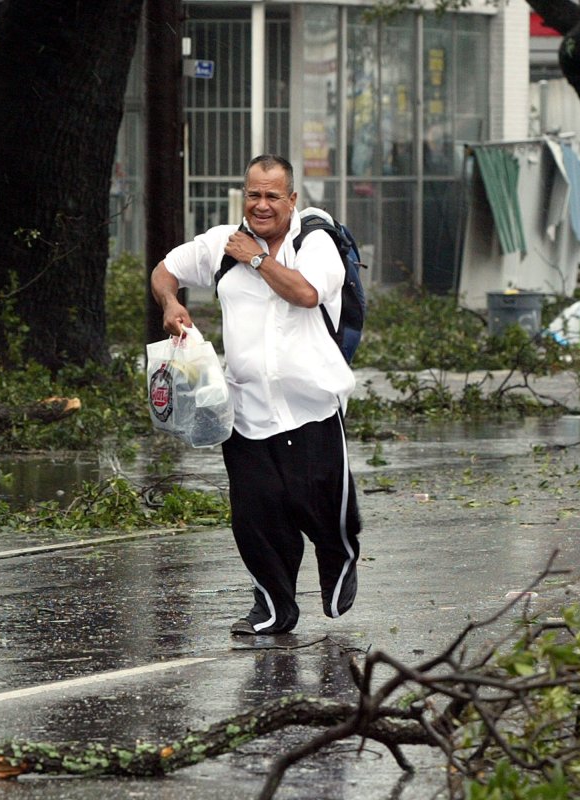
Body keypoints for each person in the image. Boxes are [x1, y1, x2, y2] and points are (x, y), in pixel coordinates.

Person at [150, 154, 361, 635]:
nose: (261, 205)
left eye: (271, 196)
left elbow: (307, 294)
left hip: (311, 405)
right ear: (242, 195)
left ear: (292, 199)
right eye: (253, 195)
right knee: (256, 514)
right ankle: (273, 607)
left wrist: (257, 258)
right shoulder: (221, 245)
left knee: (323, 506)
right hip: (244, 408)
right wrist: (171, 302)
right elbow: (166, 269)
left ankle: (340, 558)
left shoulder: (315, 242)